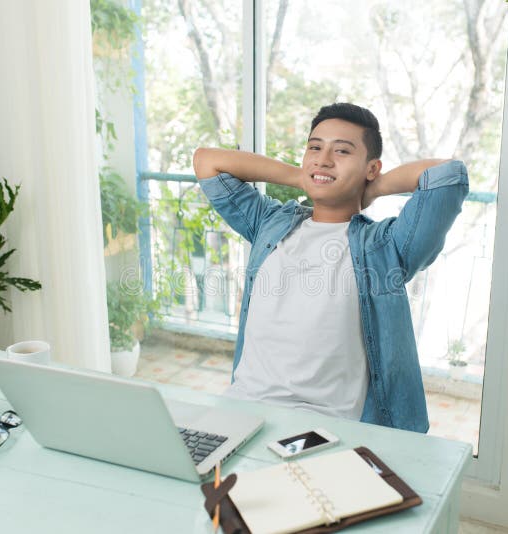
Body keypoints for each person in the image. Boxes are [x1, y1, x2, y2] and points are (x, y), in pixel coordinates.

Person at [193, 103, 468, 432]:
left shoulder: (383, 247)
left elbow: (447, 177)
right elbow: (206, 162)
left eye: (342, 151)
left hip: (326, 429)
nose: (323, 159)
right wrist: (305, 177)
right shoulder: (268, 223)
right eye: (314, 147)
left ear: (371, 167)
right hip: (242, 409)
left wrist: (373, 189)